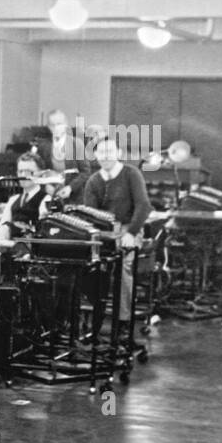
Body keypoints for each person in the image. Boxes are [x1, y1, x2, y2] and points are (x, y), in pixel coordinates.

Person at [84, 137, 151, 322]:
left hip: (129, 228)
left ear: (118, 153)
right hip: (104, 232)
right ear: (95, 155)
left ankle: (122, 320)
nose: (106, 156)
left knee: (123, 267)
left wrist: (131, 233)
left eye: (110, 151)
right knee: (90, 267)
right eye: (101, 152)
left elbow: (143, 206)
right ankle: (95, 319)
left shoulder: (131, 173)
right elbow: (90, 215)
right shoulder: (93, 181)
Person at [0, 151, 51, 243]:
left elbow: (43, 235)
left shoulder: (46, 200)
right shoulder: (13, 200)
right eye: (20, 171)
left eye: (29, 172)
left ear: (41, 174)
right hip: (11, 247)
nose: (23, 175)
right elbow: (0, 231)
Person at [38, 109, 89, 203]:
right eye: (52, 125)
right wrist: (45, 186)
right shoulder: (43, 146)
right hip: (50, 197)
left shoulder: (77, 144)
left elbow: (85, 172)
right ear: (48, 126)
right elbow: (38, 172)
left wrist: (70, 188)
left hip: (74, 197)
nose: (56, 128)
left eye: (59, 124)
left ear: (66, 124)